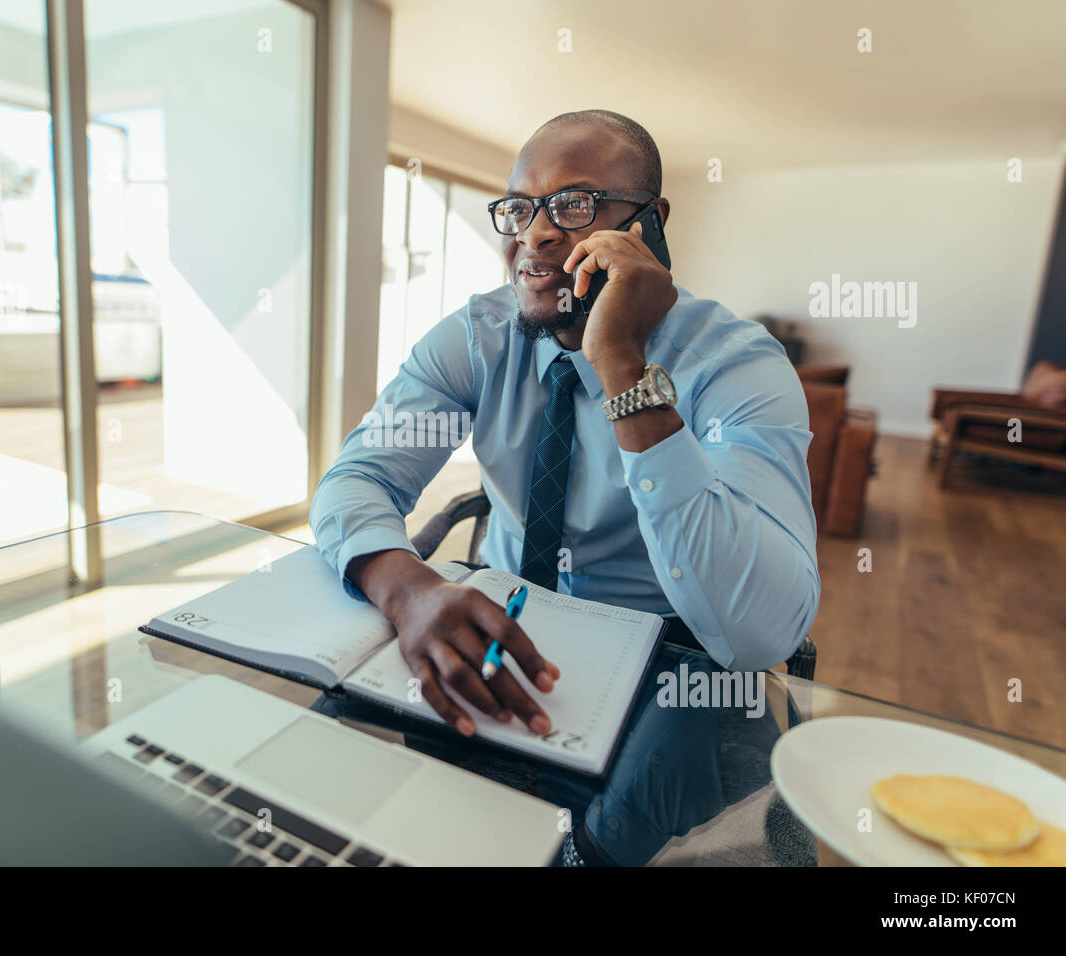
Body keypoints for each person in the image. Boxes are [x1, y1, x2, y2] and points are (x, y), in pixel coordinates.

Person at [309, 109, 820, 740]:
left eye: (575, 204)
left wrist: (621, 366)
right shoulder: (478, 337)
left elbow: (759, 633)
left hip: (667, 659)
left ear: (650, 224)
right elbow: (358, 477)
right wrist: (408, 588)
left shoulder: (736, 365)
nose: (538, 233)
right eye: (520, 208)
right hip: (497, 623)